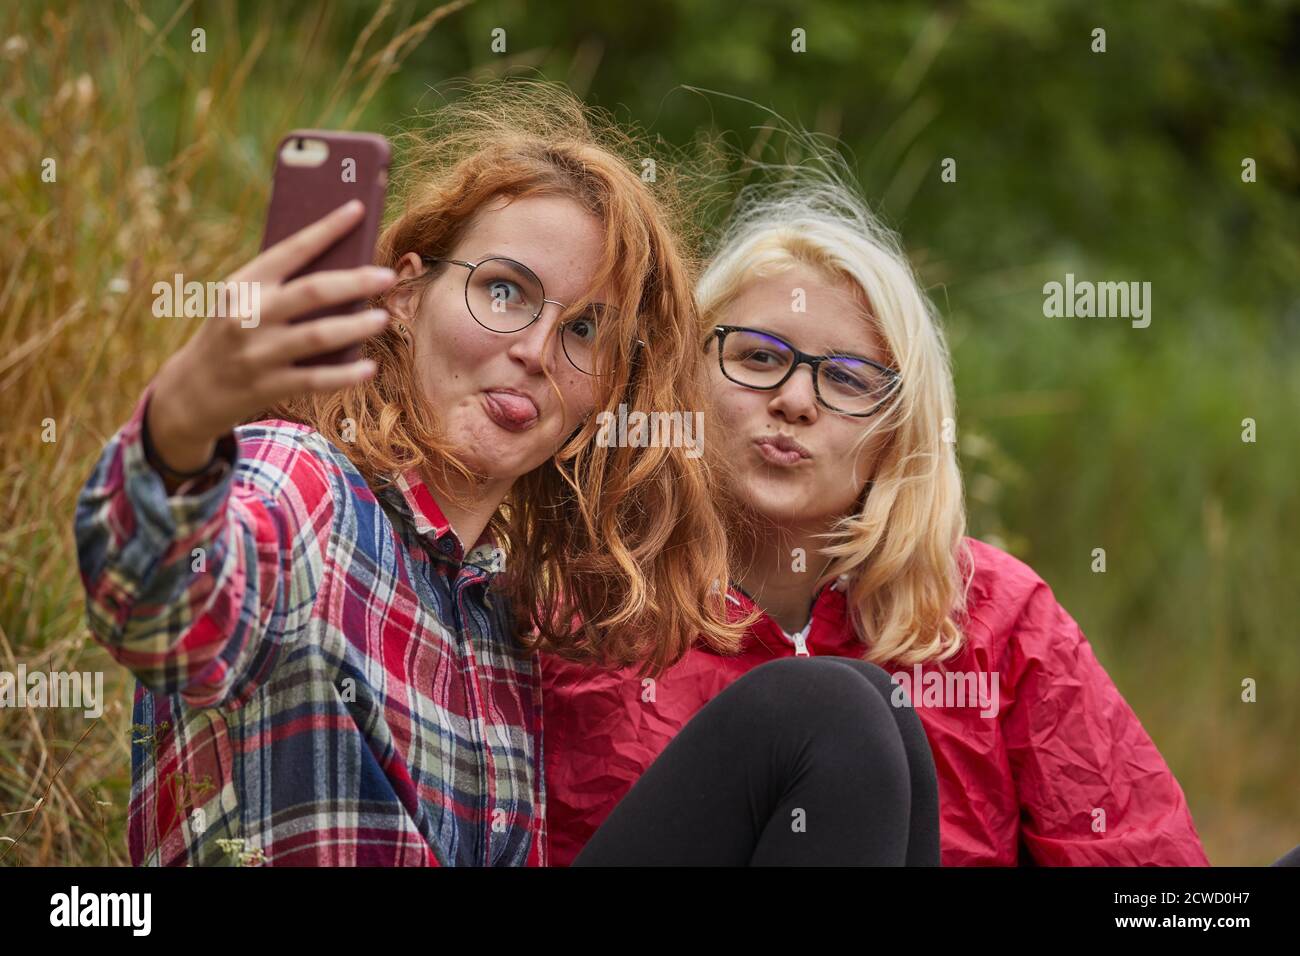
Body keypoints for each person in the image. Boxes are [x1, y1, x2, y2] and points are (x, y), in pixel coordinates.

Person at [73, 82, 751, 866]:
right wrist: (182, 423)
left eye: (584, 330)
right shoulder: (307, 485)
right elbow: (154, 612)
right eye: (506, 291)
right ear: (403, 295)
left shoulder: (502, 629)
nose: (535, 350)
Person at [542, 168, 1213, 866]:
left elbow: (1148, 877)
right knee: (836, 711)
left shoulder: (997, 619)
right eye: (758, 357)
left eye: (846, 378)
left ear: (900, 430)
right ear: (685, 375)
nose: (796, 399)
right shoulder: (578, 596)